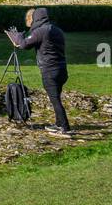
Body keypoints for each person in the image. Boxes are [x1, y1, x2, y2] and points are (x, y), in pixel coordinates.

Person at [8, 7, 70, 136]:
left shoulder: (41, 31)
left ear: (36, 18)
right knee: (56, 97)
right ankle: (58, 123)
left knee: (55, 100)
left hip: (49, 70)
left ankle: (64, 127)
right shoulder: (56, 30)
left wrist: (18, 36)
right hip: (62, 69)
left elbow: (24, 45)